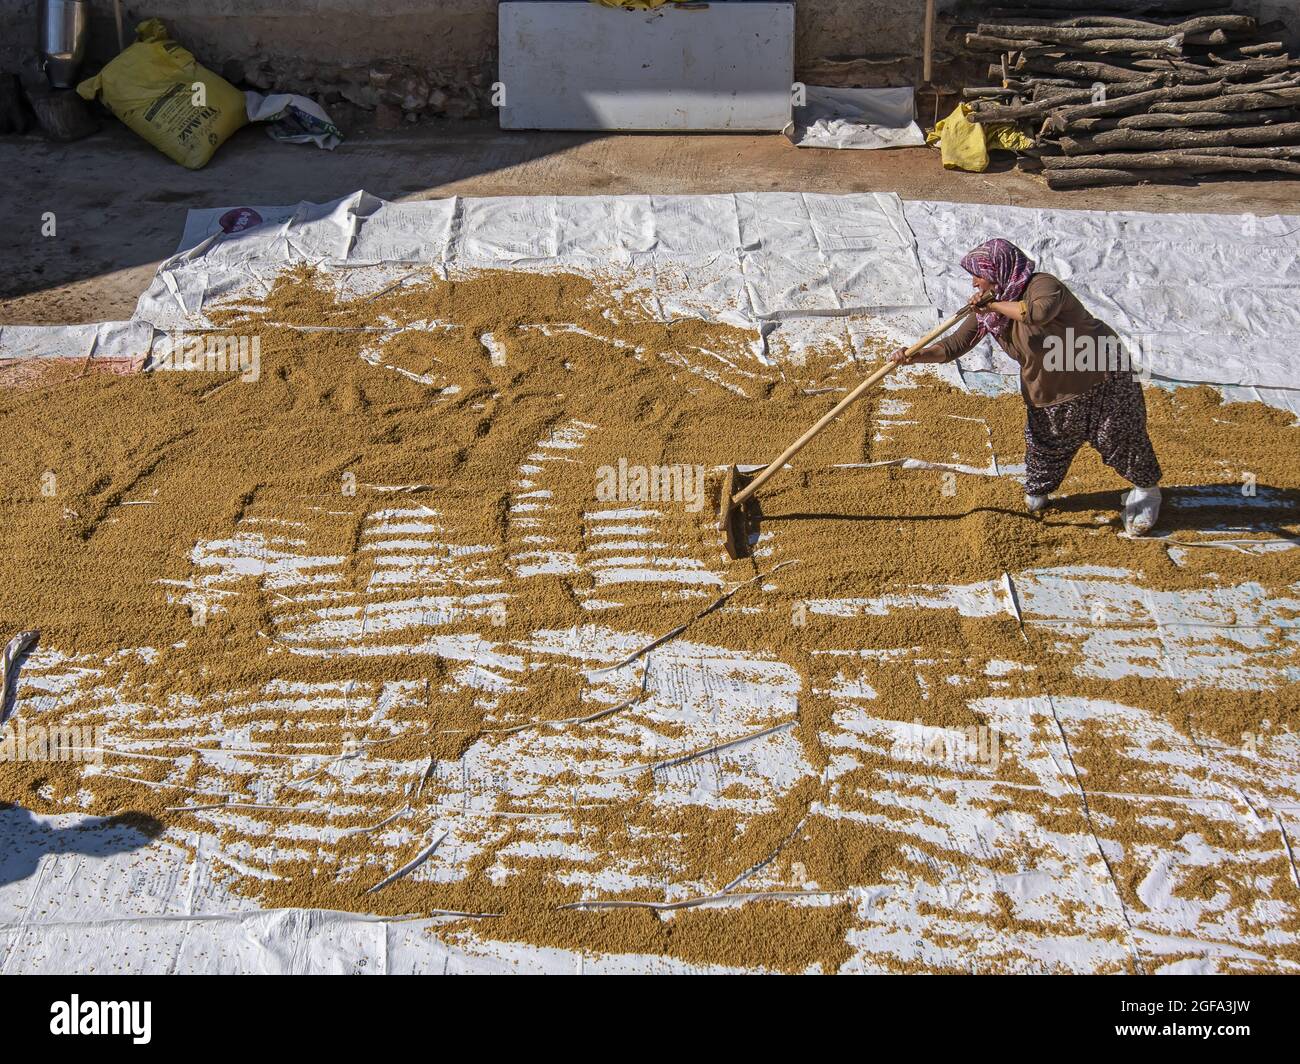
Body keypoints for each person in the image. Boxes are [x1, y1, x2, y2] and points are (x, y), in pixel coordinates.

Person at [891, 238, 1162, 535]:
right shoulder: (987, 309)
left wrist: (991, 303)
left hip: (1100, 374)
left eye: (979, 275)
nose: (973, 283)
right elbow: (954, 345)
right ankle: (1039, 494)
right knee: (1046, 448)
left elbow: (1037, 313)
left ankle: (1148, 492)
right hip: (1049, 391)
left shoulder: (1043, 285)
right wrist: (914, 358)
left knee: (1120, 438)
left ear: (999, 272)